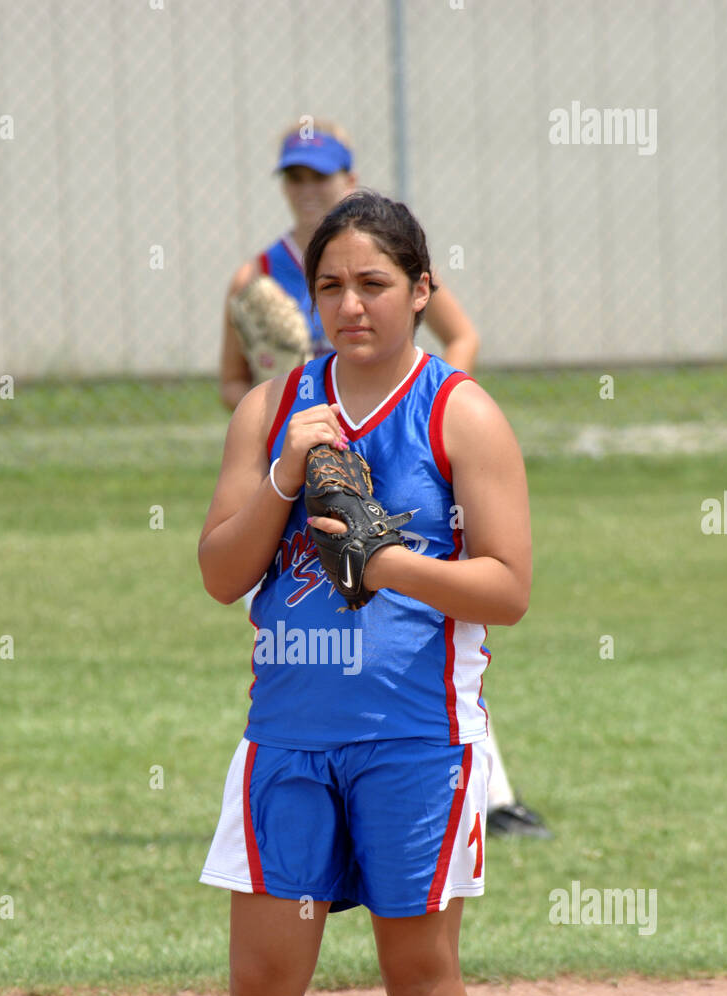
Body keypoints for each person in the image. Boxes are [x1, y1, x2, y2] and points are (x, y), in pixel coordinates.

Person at [154, 189, 531, 996]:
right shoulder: (275, 404)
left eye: (374, 283)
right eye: (329, 285)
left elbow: (505, 588)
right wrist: (284, 474)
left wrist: (386, 558)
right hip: (288, 740)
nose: (350, 304)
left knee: (418, 976)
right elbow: (223, 574)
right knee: (262, 980)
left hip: (416, 739)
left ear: (421, 291)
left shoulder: (459, 413)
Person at [221, 121, 548, 838]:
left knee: (410, 642)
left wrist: (436, 406)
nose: (310, 190)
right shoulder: (256, 276)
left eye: (322, 176)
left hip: (406, 432)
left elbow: (458, 336)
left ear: (346, 175)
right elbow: (235, 381)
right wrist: (279, 449)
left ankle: (491, 793)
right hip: (301, 450)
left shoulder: (385, 250)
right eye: (297, 178)